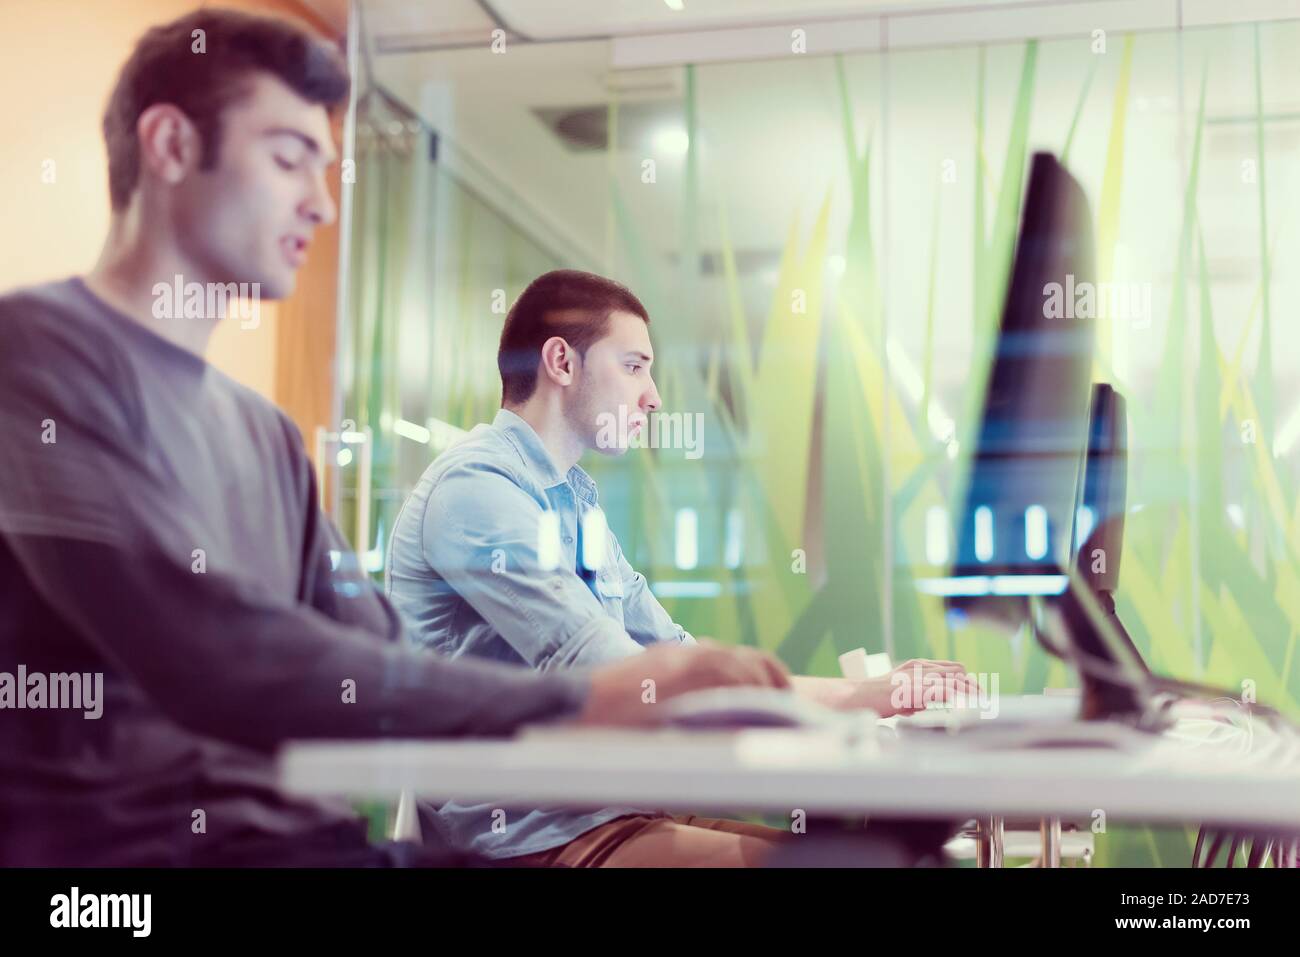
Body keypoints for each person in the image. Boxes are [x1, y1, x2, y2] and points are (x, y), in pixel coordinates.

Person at [0, 8, 791, 868]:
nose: (322, 201)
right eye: (288, 158)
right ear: (171, 146)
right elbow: (209, 646)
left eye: (327, 167)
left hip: (305, 846)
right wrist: (585, 699)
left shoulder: (260, 433)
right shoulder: (35, 355)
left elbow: (371, 651)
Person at [386, 269, 975, 866]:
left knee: (884, 857)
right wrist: (836, 698)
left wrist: (871, 695)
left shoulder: (575, 502)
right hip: (528, 836)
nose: (654, 395)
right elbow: (605, 669)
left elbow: (675, 654)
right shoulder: (476, 488)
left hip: (607, 811)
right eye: (635, 365)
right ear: (562, 362)